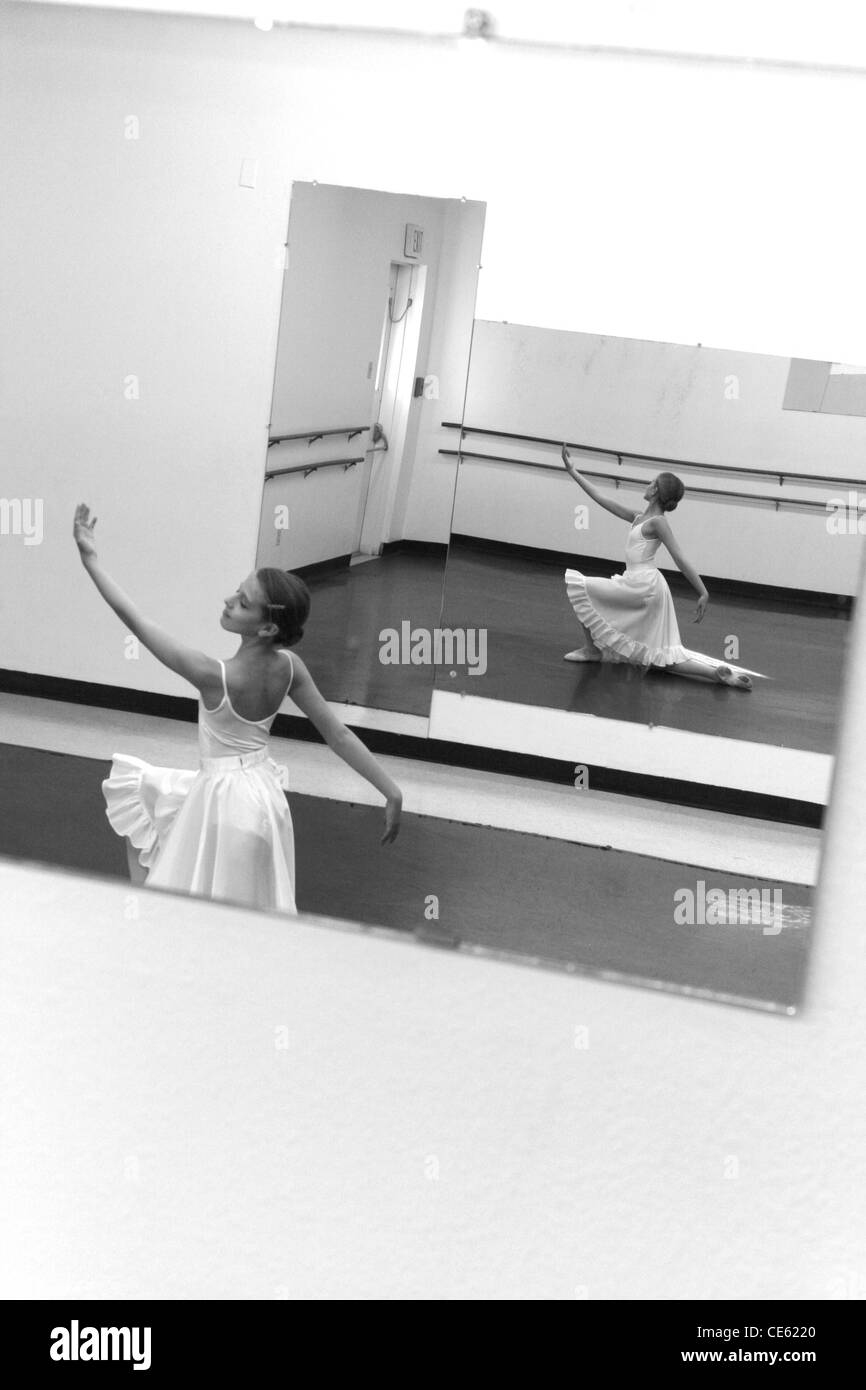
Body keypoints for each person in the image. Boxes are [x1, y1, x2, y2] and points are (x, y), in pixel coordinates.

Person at [73, 503, 403, 915]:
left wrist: (91, 561)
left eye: (242, 603)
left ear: (266, 628)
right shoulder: (289, 667)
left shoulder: (215, 676)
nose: (229, 601)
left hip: (225, 799)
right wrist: (389, 789)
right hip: (262, 796)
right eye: (237, 592)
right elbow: (338, 735)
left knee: (206, 894)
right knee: (156, 799)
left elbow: (136, 621)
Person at [561, 447, 755, 689]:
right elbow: (602, 500)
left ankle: (592, 650)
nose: (647, 483)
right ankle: (716, 674)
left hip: (642, 586)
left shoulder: (658, 523)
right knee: (657, 656)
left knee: (583, 587)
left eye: (651, 482)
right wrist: (573, 471)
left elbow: (680, 557)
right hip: (644, 584)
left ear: (654, 491)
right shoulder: (639, 518)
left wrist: (703, 592)